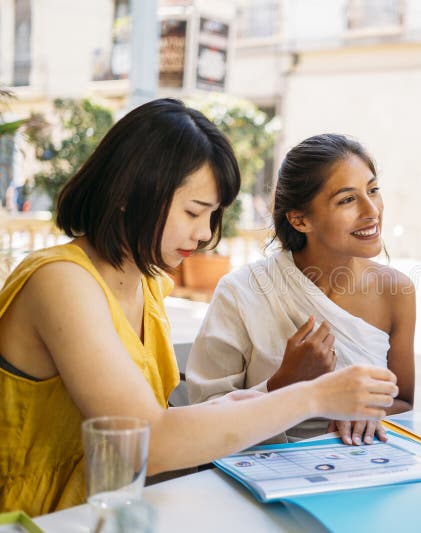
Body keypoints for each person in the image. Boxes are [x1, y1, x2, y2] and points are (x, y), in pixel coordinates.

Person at [0, 100, 398, 517]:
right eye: (193, 212)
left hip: (103, 512)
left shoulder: (147, 283)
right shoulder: (61, 281)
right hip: (34, 517)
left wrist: (270, 393)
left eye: (213, 215)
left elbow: (167, 423)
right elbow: (150, 442)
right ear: (127, 193)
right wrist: (314, 396)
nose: (205, 233)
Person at [187, 133, 415, 445]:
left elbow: (403, 403)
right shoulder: (241, 293)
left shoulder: (397, 292)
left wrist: (371, 411)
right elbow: (201, 420)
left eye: (373, 190)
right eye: (348, 199)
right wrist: (285, 383)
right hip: (261, 470)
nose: (371, 210)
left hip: (361, 466)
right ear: (300, 219)